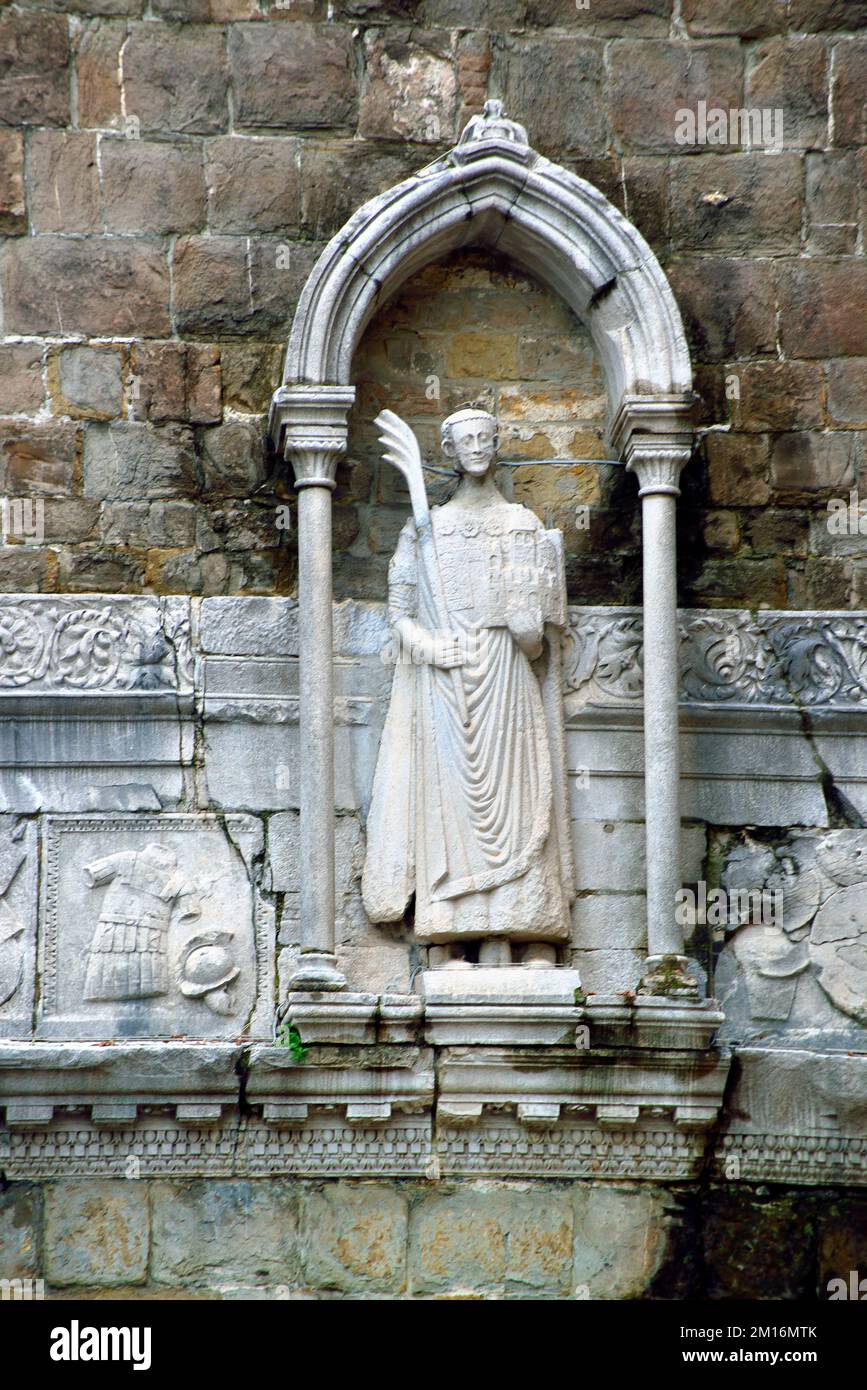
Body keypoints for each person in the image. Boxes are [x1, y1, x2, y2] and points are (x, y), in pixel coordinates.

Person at [362, 407, 575, 967]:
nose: (477, 446)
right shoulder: (425, 529)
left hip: (507, 677)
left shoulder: (524, 525)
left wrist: (527, 629)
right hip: (446, 685)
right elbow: (400, 616)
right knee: (451, 802)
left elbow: (538, 643)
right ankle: (454, 934)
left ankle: (528, 931)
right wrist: (431, 648)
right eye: (466, 440)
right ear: (450, 452)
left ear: (497, 445)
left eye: (486, 437)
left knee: (520, 792)